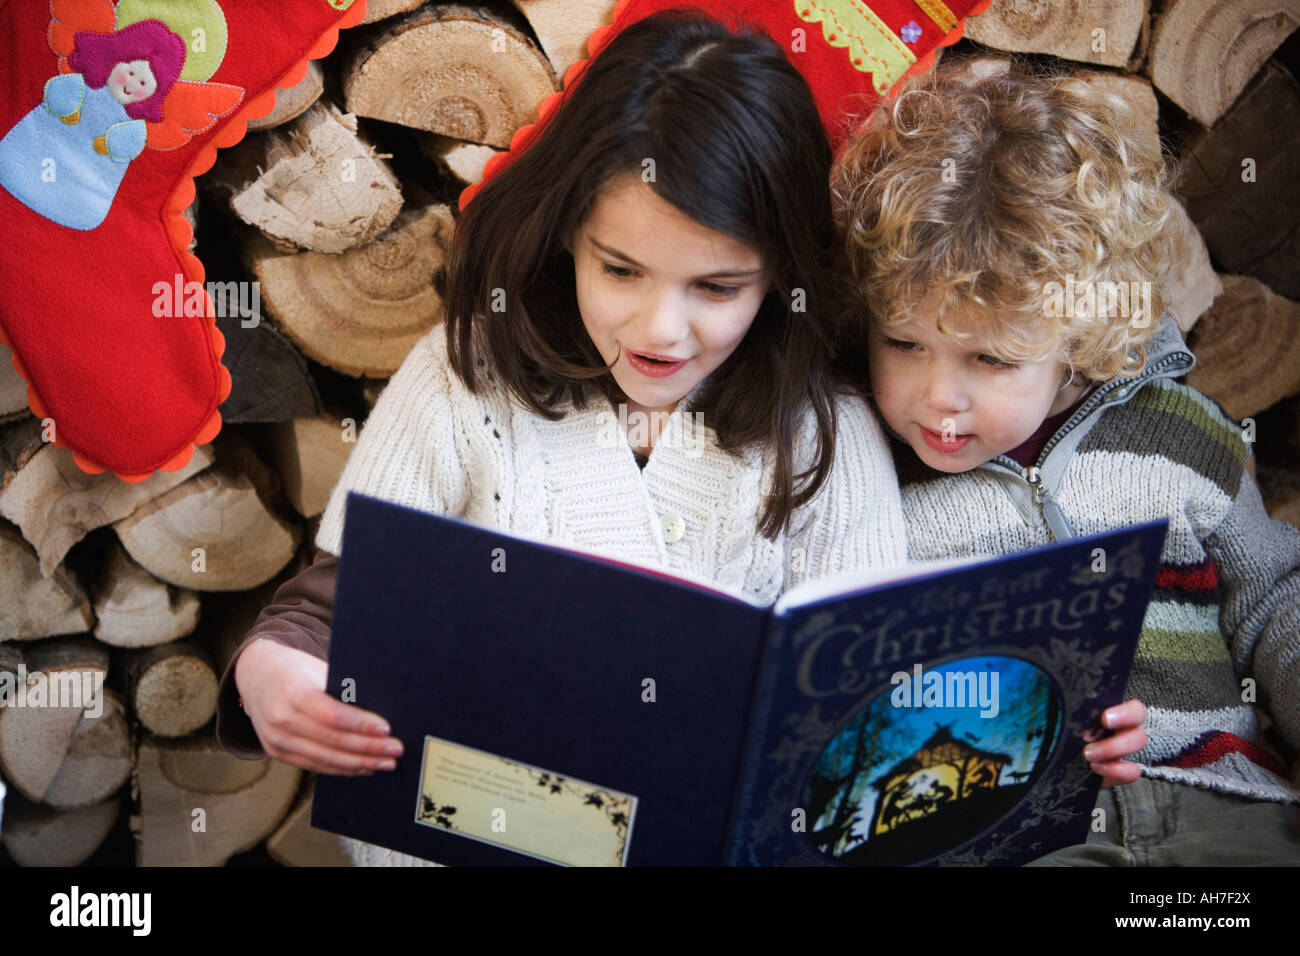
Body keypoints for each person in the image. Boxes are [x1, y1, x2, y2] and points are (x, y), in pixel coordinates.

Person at [216, 8, 908, 866]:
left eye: (718, 287)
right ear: (567, 235)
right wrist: (272, 673)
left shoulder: (821, 442)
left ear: (780, 277)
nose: (661, 328)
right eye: (620, 270)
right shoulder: (463, 379)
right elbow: (331, 608)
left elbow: (872, 705)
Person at [830, 56, 1300, 864]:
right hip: (1018, 837)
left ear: (1078, 340)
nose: (939, 396)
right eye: (904, 343)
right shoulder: (869, 484)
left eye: (991, 360)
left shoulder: (1182, 436)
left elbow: (1273, 603)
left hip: (1230, 809)